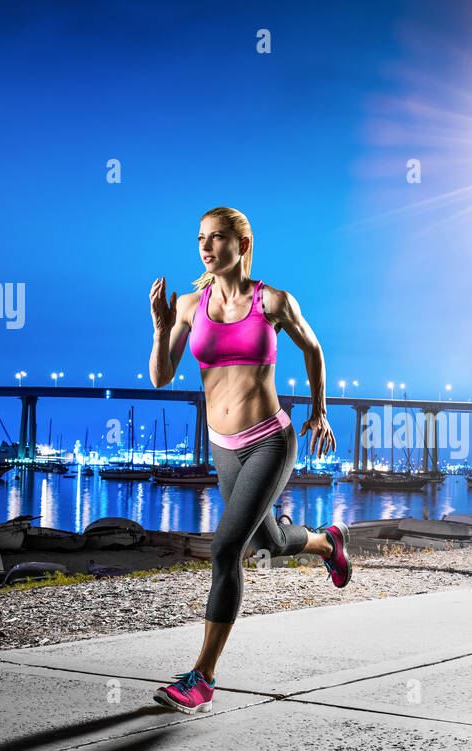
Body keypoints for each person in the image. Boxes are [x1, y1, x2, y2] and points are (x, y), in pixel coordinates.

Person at [147, 206, 351, 714]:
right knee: (270, 541)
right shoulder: (189, 305)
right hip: (223, 447)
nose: (206, 247)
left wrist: (320, 410)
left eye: (217, 238)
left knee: (224, 550)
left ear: (243, 243)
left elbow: (314, 349)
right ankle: (328, 543)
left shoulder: (274, 301)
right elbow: (160, 376)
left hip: (270, 441)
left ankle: (203, 678)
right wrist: (160, 326)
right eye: (200, 239)